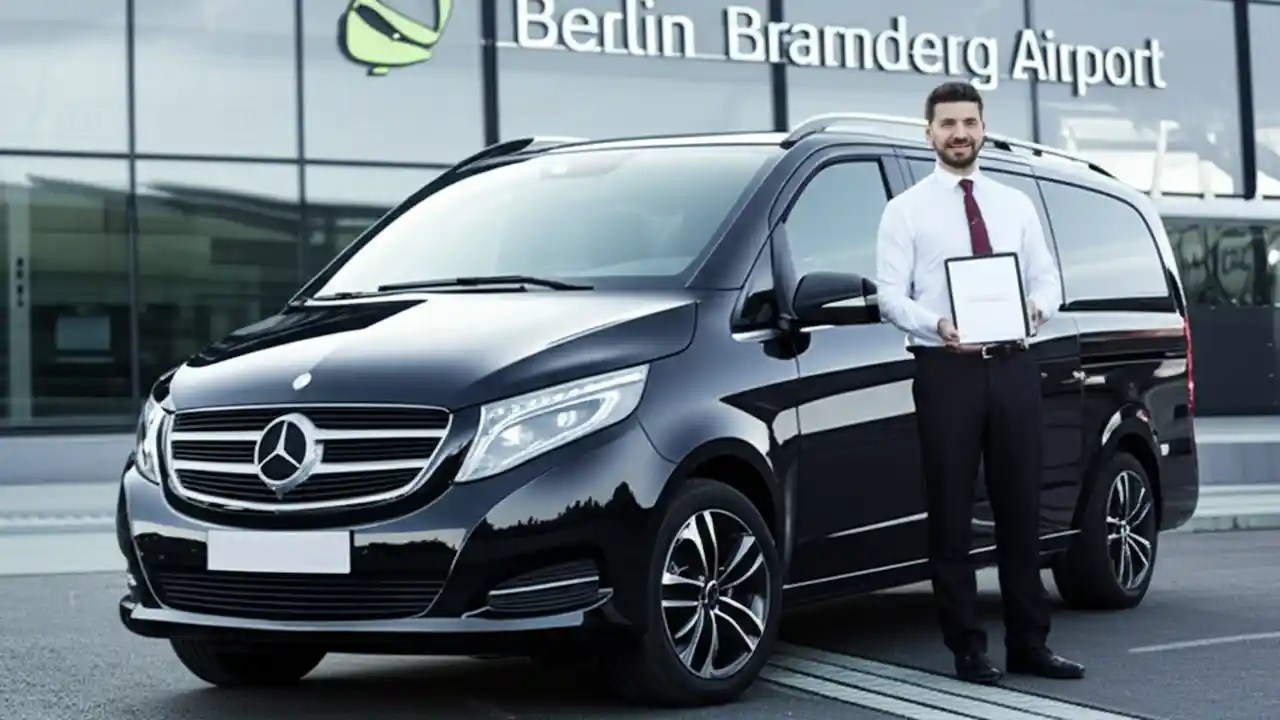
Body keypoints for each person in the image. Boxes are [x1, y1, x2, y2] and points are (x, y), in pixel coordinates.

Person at [874, 81, 1086, 685]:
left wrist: (1036, 311)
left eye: (969, 122)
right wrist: (937, 324)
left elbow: (1049, 280)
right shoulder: (905, 211)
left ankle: (1029, 644)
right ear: (929, 133)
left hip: (1015, 363)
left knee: (1022, 509)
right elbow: (890, 296)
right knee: (951, 511)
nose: (960, 133)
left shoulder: (1015, 204)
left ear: (983, 127)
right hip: (946, 369)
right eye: (948, 124)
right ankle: (968, 647)